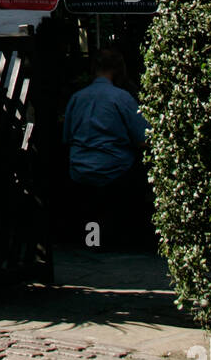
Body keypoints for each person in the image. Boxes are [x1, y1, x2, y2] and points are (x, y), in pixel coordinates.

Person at [62, 46, 150, 249]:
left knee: (90, 207)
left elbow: (67, 137)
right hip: (115, 169)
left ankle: (92, 240)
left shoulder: (77, 98)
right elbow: (143, 138)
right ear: (119, 70)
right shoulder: (122, 98)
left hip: (81, 168)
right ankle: (124, 238)